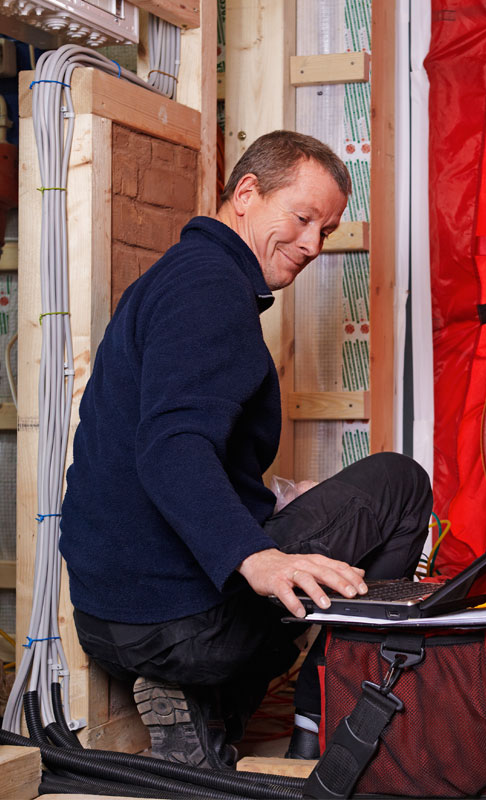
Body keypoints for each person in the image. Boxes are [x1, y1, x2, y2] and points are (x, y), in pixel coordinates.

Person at [59, 130, 432, 767]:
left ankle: (211, 712)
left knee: (308, 517)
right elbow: (173, 447)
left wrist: (285, 498)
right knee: (400, 482)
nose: (314, 244)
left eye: (328, 230)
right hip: (183, 626)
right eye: (304, 217)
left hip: (108, 621)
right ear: (247, 193)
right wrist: (259, 557)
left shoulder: (180, 279)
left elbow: (184, 446)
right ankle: (324, 714)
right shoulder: (211, 291)